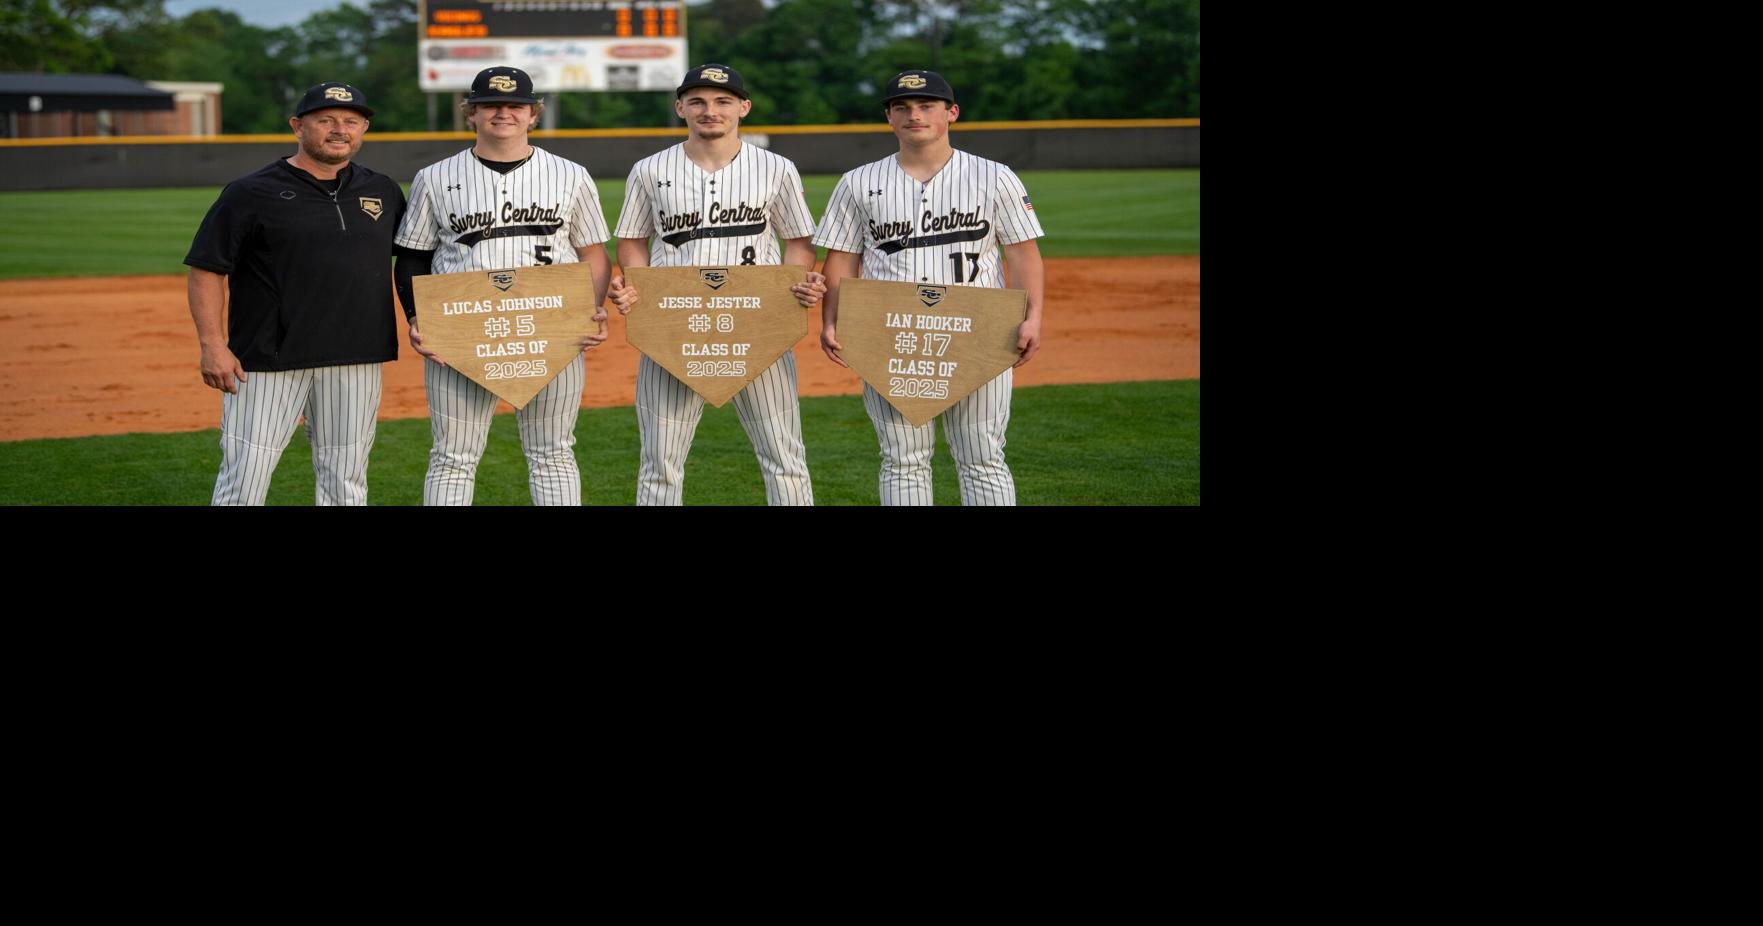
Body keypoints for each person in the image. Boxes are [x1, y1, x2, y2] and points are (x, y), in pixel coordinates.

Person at [393, 66, 632, 506]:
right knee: (452, 456)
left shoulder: (571, 174)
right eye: (490, 105)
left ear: (532, 113)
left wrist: (590, 310)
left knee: (553, 453)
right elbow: (412, 257)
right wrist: (416, 316)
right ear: (472, 113)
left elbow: (593, 253)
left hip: (552, 331)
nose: (503, 113)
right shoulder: (434, 177)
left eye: (514, 105)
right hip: (460, 334)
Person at [814, 70, 1046, 506]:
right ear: (889, 118)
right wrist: (830, 319)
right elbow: (842, 258)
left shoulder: (995, 177)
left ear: (951, 113)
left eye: (926, 106)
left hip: (981, 331)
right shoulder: (858, 182)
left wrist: (1032, 317)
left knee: (982, 456)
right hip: (890, 334)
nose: (914, 115)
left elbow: (1022, 254)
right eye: (902, 107)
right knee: (902, 458)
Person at [606, 63, 827, 506]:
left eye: (723, 100)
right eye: (699, 101)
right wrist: (637, 287)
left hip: (758, 328)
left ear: (743, 107)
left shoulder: (776, 168)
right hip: (673, 330)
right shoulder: (649, 170)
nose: (711, 110)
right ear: (680, 107)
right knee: (660, 463)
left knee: (784, 456)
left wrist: (796, 285)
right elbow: (631, 242)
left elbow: (799, 242)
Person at [184, 81, 406, 506]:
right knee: (244, 478)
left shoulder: (382, 191)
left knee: (346, 482)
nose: (339, 129)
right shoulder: (250, 192)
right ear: (297, 127)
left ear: (362, 130)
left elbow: (416, 260)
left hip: (356, 358)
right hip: (267, 361)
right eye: (325, 120)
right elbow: (207, 269)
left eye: (351, 121)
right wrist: (213, 344)